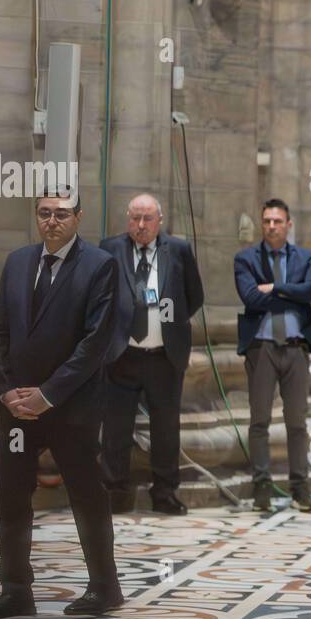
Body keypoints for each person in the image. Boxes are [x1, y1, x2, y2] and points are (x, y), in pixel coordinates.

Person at [0, 193, 124, 619]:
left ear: (79, 216)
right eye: (45, 214)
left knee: (85, 493)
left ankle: (104, 586)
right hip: (18, 407)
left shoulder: (100, 265)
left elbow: (94, 343)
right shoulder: (18, 261)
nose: (52, 222)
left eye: (62, 214)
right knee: (10, 495)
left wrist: (48, 394)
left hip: (70, 404)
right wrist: (6, 391)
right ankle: (16, 589)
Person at [100, 194, 205, 515]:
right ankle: (115, 492)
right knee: (116, 429)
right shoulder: (110, 248)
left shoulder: (178, 250)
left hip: (164, 355)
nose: (141, 225)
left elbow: (194, 295)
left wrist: (169, 323)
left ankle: (165, 493)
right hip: (122, 354)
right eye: (135, 218)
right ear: (127, 219)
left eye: (147, 218)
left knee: (166, 429)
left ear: (160, 220)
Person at [234, 199, 311, 512]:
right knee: (259, 421)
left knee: (297, 421)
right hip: (262, 349)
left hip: (296, 349)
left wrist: (273, 288)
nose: (271, 226)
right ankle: (261, 487)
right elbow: (249, 297)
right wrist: (290, 294)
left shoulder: (306, 257)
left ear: (289, 224)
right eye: (267, 221)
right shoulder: (245, 259)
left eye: (277, 221)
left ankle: (300, 487)